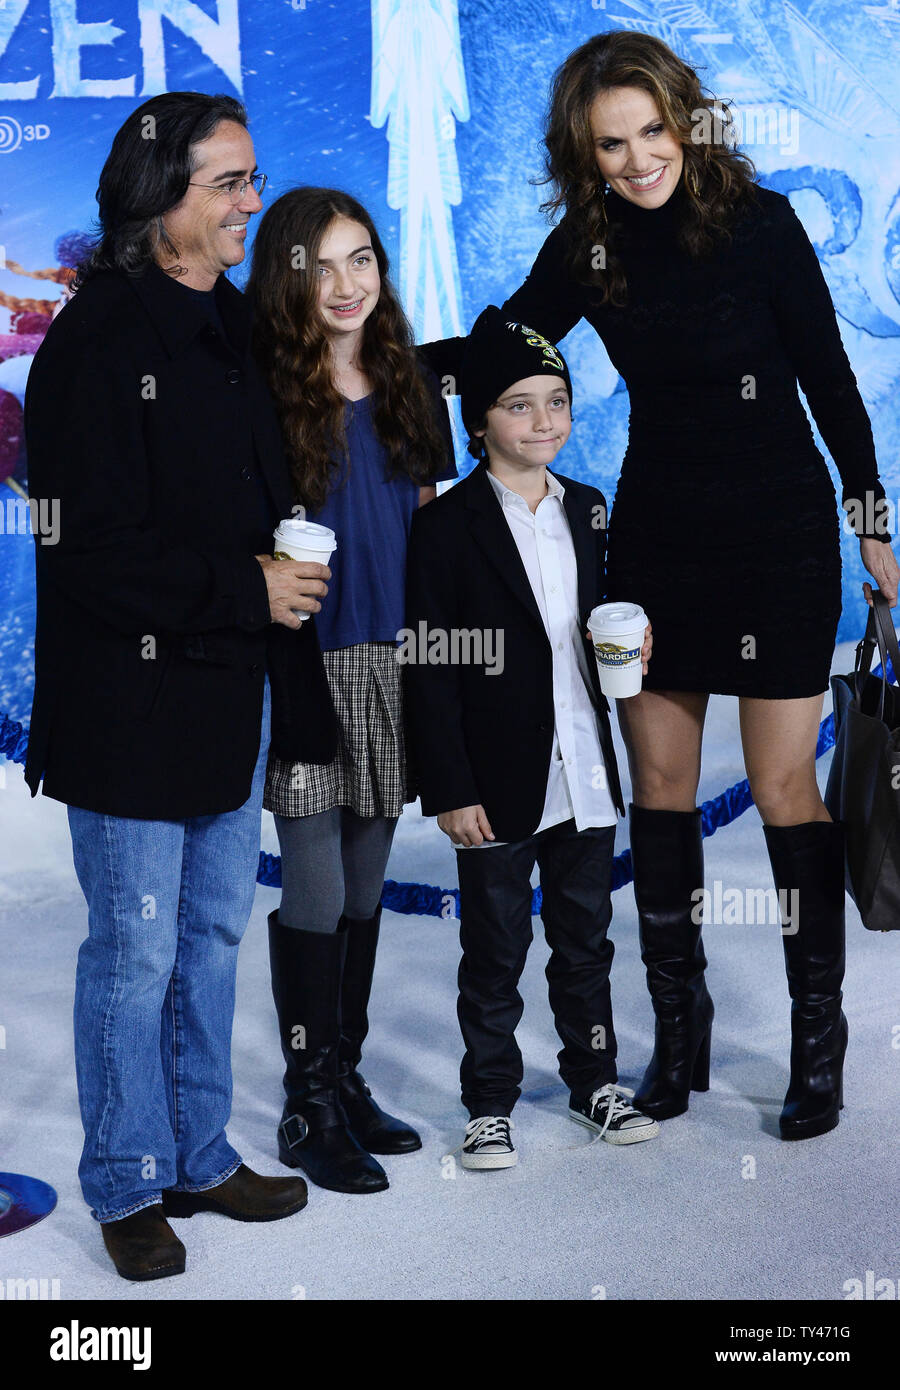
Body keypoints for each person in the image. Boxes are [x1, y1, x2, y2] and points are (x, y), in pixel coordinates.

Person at [419, 30, 900, 1143]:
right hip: (656, 547)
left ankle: (813, 1047)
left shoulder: (763, 226)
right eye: (610, 145)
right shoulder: (588, 248)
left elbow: (832, 382)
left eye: (650, 132)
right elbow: (507, 340)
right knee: (663, 788)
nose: (638, 161)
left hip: (777, 535)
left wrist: (870, 525)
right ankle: (677, 1039)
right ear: (583, 156)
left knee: (788, 788)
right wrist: (389, 387)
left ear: (684, 119)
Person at [23, 93, 337, 1281]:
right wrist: (246, 586)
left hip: (228, 693)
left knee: (208, 933)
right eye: (232, 185)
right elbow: (89, 552)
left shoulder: (235, 327)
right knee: (135, 952)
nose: (255, 203)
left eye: (254, 180)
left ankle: (200, 1151)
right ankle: (126, 1182)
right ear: (162, 205)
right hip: (128, 708)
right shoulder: (93, 344)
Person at [406, 307, 657, 1168]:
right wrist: (450, 788)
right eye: (519, 405)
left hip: (584, 763)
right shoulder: (442, 528)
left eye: (557, 402)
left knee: (586, 937)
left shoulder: (588, 510)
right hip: (496, 778)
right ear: (478, 423)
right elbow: (429, 665)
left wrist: (635, 639)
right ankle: (489, 1101)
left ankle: (595, 1079)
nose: (543, 421)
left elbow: (604, 621)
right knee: (495, 945)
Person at [247, 188, 457, 1193]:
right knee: (318, 885)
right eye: (320, 266)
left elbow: (427, 528)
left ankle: (346, 1076)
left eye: (361, 260)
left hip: (390, 660)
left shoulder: (412, 382)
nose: (344, 286)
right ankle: (306, 1100)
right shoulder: (265, 391)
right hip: (305, 666)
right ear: (288, 275)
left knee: (369, 884)